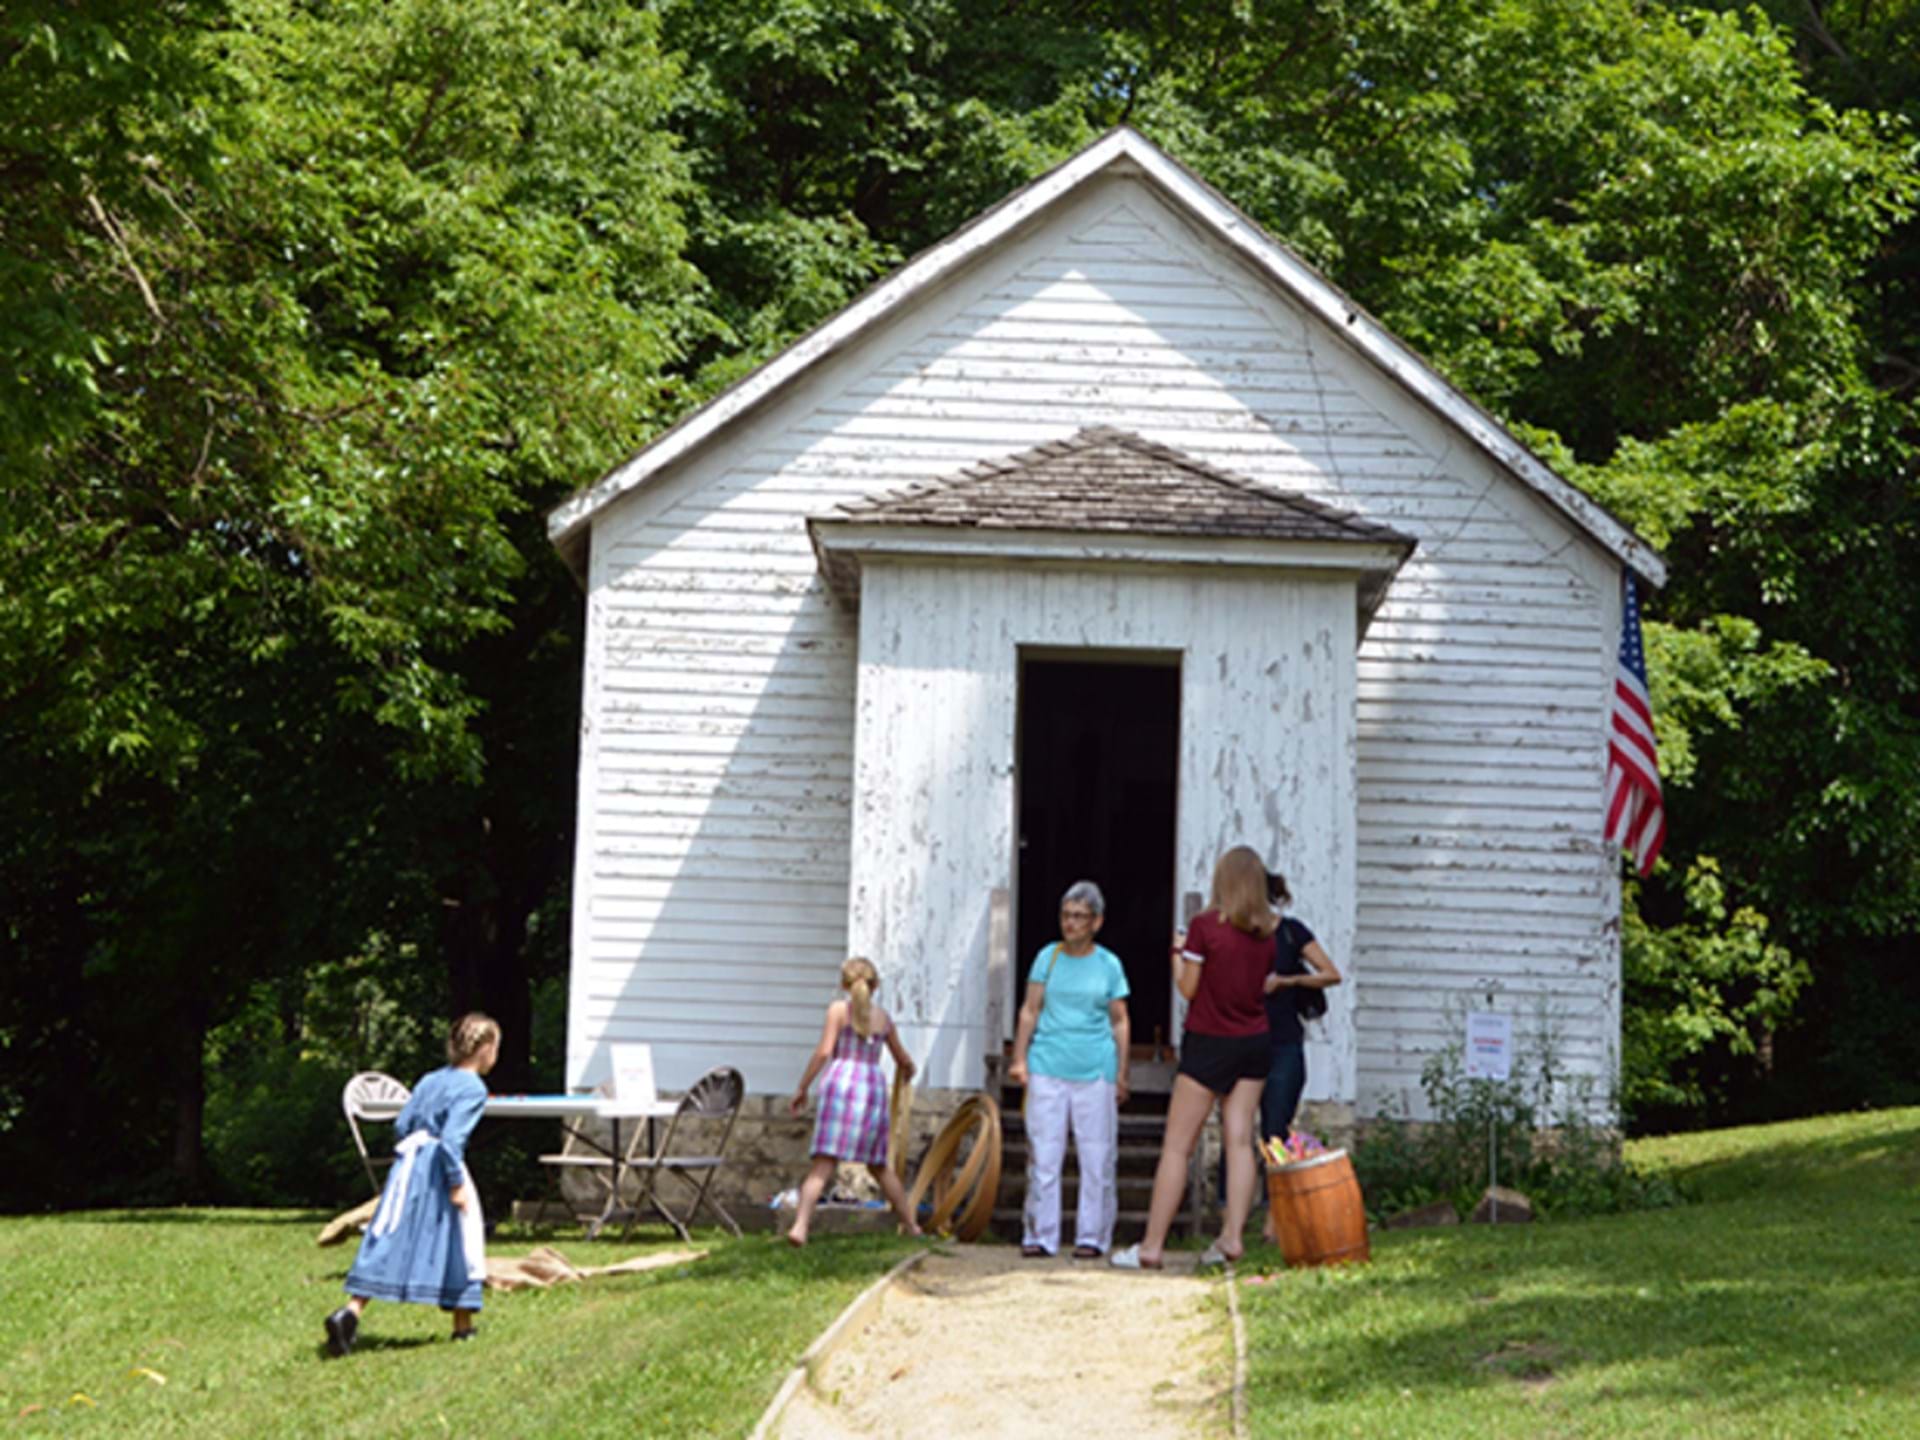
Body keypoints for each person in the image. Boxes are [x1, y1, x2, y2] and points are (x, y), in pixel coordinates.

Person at [1112, 846, 1275, 1270]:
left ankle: (1151, 1247)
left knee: (1177, 1147)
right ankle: (1232, 1239)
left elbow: (1188, 988)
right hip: (1255, 1040)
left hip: (1209, 1040)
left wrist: (1176, 954)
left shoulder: (1205, 927)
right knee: (1239, 1139)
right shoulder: (1268, 931)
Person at [325, 1013, 500, 1356]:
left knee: (390, 1234)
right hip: (439, 1165)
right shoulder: (473, 1088)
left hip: (408, 1165)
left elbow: (403, 1123)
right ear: (485, 1049)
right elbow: (452, 1140)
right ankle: (462, 1327)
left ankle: (350, 1311)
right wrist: (455, 1183)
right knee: (462, 1238)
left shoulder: (430, 1080)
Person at [1007, 880, 1131, 1259]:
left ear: (1096, 922)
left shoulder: (1109, 964)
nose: (1071, 923)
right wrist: (1019, 1057)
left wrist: (1122, 1073)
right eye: (1066, 916)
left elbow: (1120, 1021)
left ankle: (1091, 1237)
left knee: (1096, 1156)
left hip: (1095, 1069)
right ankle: (1041, 1235)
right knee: (1044, 1154)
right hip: (1048, 1064)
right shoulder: (1048, 957)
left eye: (1080, 917)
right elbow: (1030, 1009)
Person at [785, 957, 924, 1247]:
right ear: (875, 986)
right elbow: (904, 1060)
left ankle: (800, 1226)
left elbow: (824, 1052)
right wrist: (908, 1072)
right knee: (879, 1166)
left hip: (840, 1086)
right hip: (871, 1090)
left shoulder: (838, 1011)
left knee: (823, 1165)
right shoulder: (883, 1020)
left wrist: (802, 1087)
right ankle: (911, 1225)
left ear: (844, 985)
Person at [1254, 867, 1341, 1240]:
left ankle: (1276, 1219)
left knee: (1275, 1130)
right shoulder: (1238, 935)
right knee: (1242, 1132)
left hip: (1284, 1043)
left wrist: (1289, 981)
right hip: (1245, 1040)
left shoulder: (1291, 932)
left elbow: (1330, 973)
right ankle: (1238, 1213)